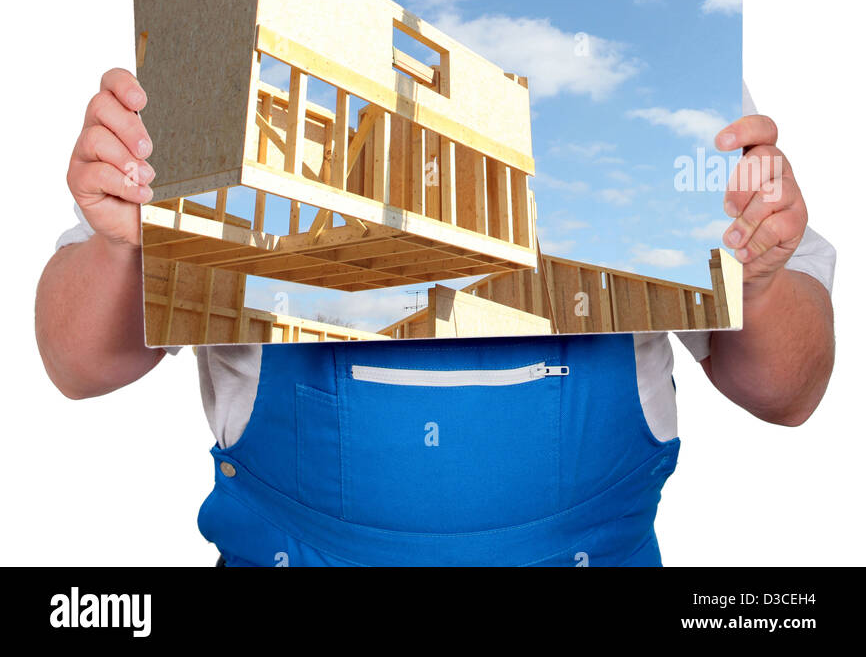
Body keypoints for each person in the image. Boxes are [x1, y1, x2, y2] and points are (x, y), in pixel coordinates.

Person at [36, 67, 835, 568]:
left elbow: (785, 393)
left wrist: (758, 287)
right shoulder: (210, 80)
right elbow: (80, 365)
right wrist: (119, 247)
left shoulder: (666, 84)